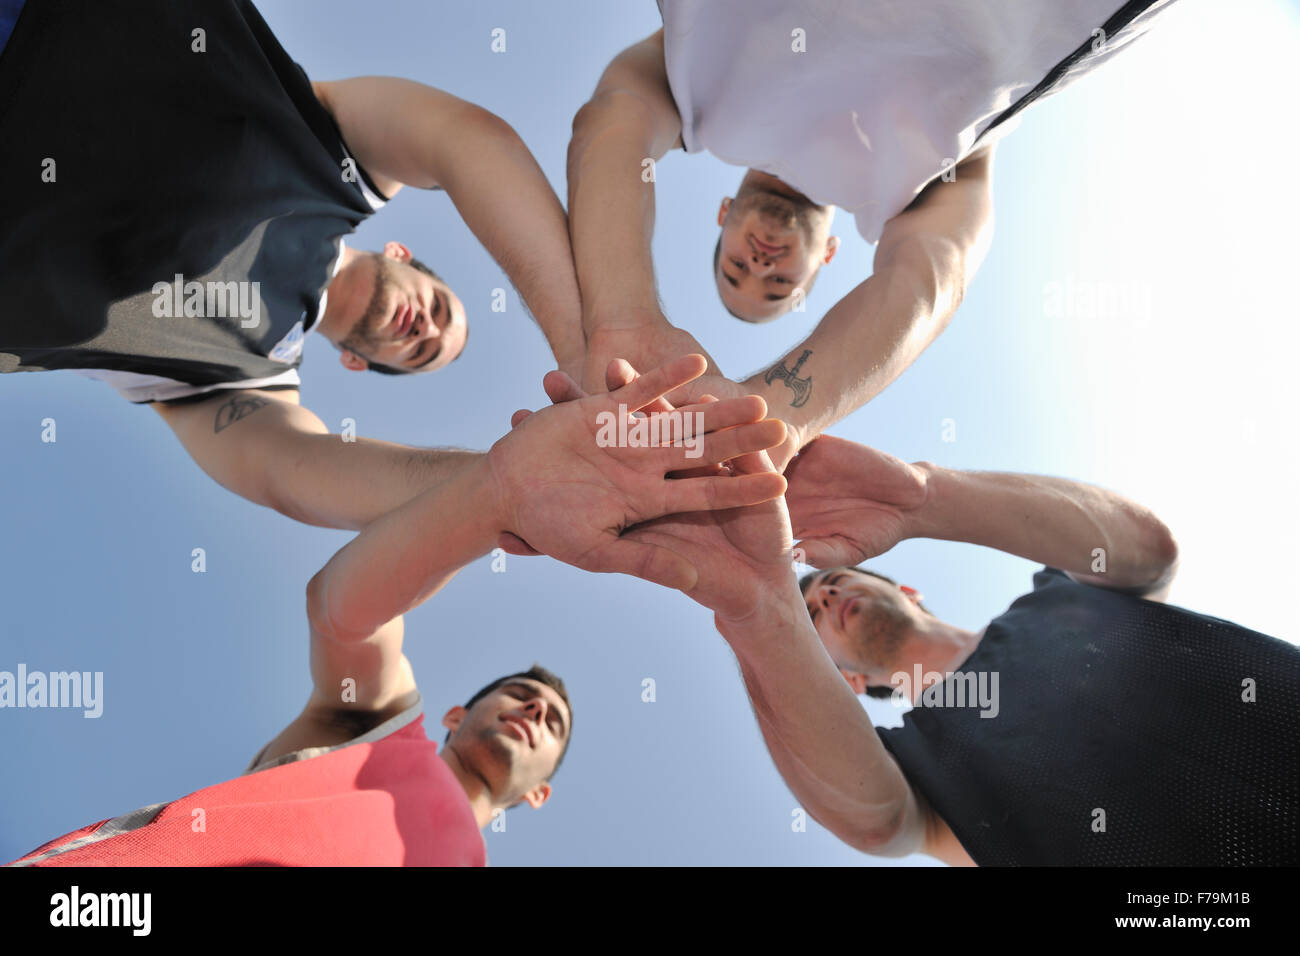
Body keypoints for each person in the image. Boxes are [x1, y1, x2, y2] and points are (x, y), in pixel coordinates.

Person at [8, 355, 790, 866]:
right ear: (453, 714)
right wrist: (494, 496)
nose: (532, 712)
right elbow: (343, 610)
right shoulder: (379, 728)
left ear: (541, 794)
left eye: (551, 723)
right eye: (523, 696)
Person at [551, 368, 1296, 864]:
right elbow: (879, 820)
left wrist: (923, 498)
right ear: (844, 681)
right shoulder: (922, 775)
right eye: (811, 613)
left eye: (830, 581)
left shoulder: (1063, 601)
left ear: (907, 591)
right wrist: (759, 605)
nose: (823, 597)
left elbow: (1148, 550)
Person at [0, 0, 586, 531]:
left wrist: (502, 482)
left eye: (423, 353)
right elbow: (466, 141)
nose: (426, 328)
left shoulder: (242, 382)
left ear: (357, 362)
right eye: (439, 308)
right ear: (399, 254)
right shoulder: (351, 165)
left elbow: (298, 475)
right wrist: (583, 347)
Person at [566, 0, 1178, 469]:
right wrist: (765, 423)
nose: (759, 265)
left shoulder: (690, 99)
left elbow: (613, 123)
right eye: (779, 284)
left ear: (723, 214)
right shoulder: (908, 189)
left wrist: (625, 318)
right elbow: (929, 278)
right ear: (827, 258)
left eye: (735, 269)